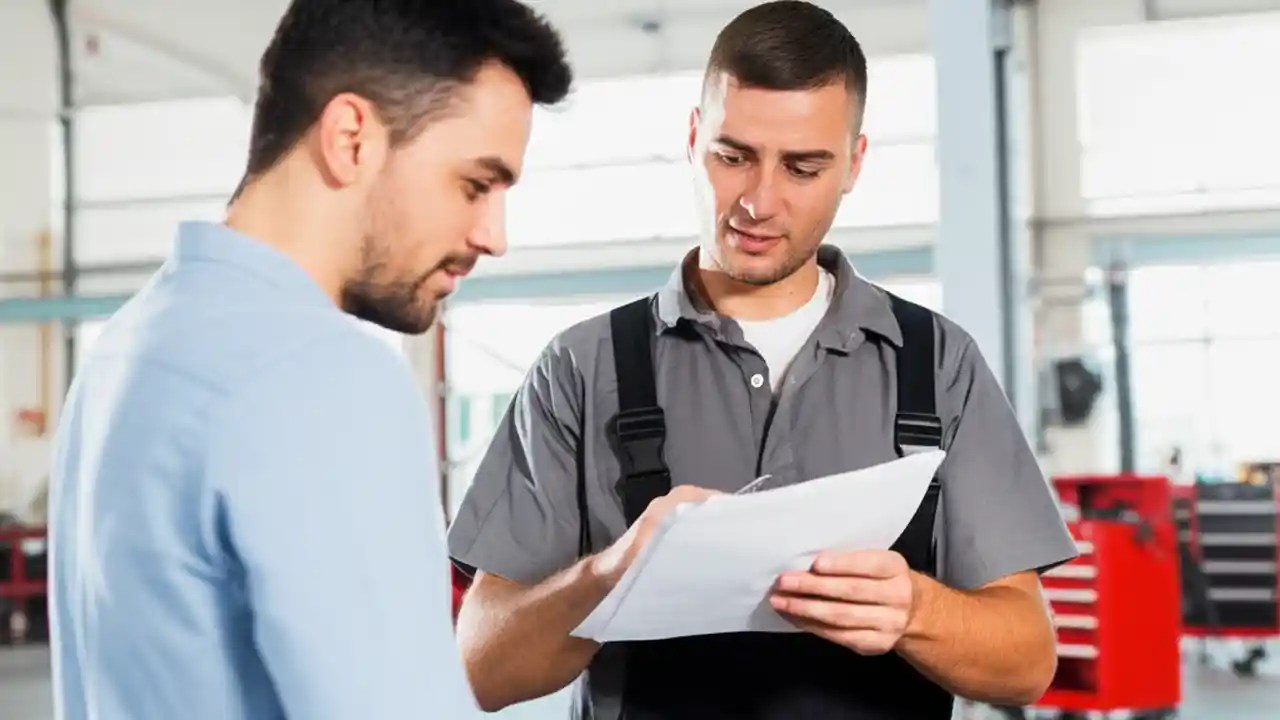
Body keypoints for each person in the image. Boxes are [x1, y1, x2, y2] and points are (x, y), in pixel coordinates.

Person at [447, 2, 1078, 718]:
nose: (758, 201)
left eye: (803, 167)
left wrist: (915, 610)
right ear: (693, 138)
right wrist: (614, 572)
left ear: (854, 165)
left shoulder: (937, 365)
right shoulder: (582, 370)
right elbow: (481, 667)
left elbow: (1028, 659)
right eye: (732, 156)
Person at [47, 1, 570, 718]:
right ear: (351, 138)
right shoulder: (322, 375)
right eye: (475, 185)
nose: (493, 235)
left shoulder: (128, 348)